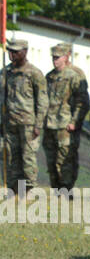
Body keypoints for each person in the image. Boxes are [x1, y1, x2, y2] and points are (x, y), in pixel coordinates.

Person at [1, 38, 47, 198]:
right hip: (9, 122)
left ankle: (28, 189)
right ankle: (13, 189)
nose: (11, 54)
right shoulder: (5, 72)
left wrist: (38, 124)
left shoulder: (34, 73)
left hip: (28, 123)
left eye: (15, 51)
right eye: (9, 51)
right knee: (10, 156)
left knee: (27, 157)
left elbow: (42, 101)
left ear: (25, 52)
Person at [44, 42, 90, 192]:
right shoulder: (50, 76)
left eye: (58, 57)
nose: (54, 60)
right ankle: (56, 188)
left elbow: (82, 101)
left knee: (65, 159)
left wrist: (75, 121)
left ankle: (66, 188)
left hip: (65, 125)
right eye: (53, 57)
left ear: (66, 57)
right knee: (51, 159)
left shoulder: (74, 76)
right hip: (49, 123)